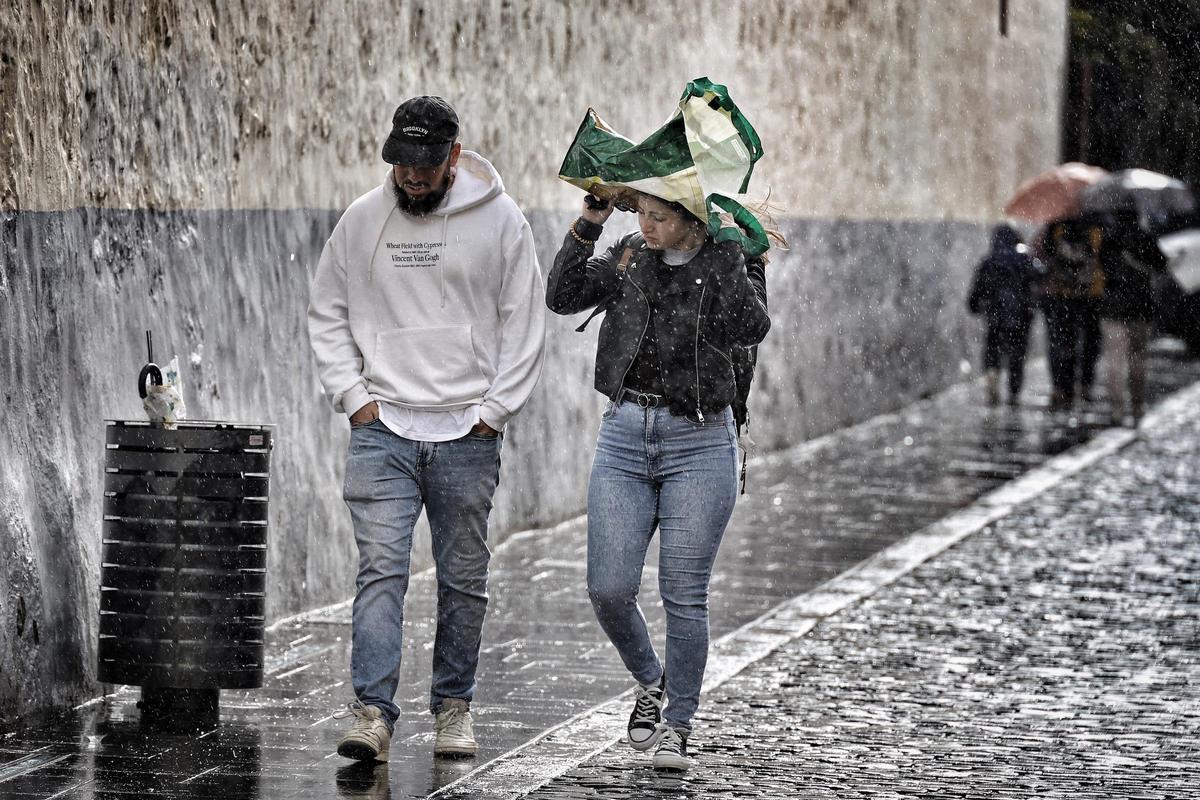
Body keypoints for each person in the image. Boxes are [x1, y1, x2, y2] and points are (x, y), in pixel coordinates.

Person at [308, 95, 546, 763]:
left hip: (466, 434)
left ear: (454, 158)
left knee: (463, 577)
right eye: (402, 165)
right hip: (382, 430)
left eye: (426, 165)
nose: (412, 177)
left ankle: (453, 708)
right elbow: (327, 311)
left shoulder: (501, 222)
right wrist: (355, 398)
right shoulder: (361, 222)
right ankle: (372, 713)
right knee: (380, 572)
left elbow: (523, 321)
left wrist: (492, 412)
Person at [546, 190, 771, 772]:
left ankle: (677, 724)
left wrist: (729, 253)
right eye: (641, 212)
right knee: (608, 588)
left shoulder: (730, 259)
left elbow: (751, 327)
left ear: (691, 221)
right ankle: (651, 677)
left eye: (660, 216)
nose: (645, 225)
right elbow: (562, 296)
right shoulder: (628, 255)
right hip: (624, 435)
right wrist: (591, 222)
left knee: (683, 591)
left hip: (698, 441)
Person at [1098, 208, 1169, 425]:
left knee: (1115, 359)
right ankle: (1137, 406)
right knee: (1138, 357)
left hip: (1113, 306)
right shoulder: (1145, 237)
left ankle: (1117, 410)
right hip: (1141, 305)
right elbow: (1161, 264)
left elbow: (1102, 267)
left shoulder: (1109, 238)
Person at [967, 224, 1042, 406]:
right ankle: (1014, 391)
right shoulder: (1024, 259)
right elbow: (1040, 277)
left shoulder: (989, 262)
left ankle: (992, 373)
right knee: (1017, 356)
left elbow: (976, 293)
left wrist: (976, 306)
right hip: (1021, 316)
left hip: (995, 316)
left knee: (992, 350)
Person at [1038, 216, 1105, 410]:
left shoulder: (1057, 225)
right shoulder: (1097, 225)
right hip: (1091, 294)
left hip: (1064, 294)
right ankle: (1085, 383)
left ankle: (1063, 386)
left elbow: (1048, 253)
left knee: (1063, 340)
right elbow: (1104, 257)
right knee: (1091, 341)